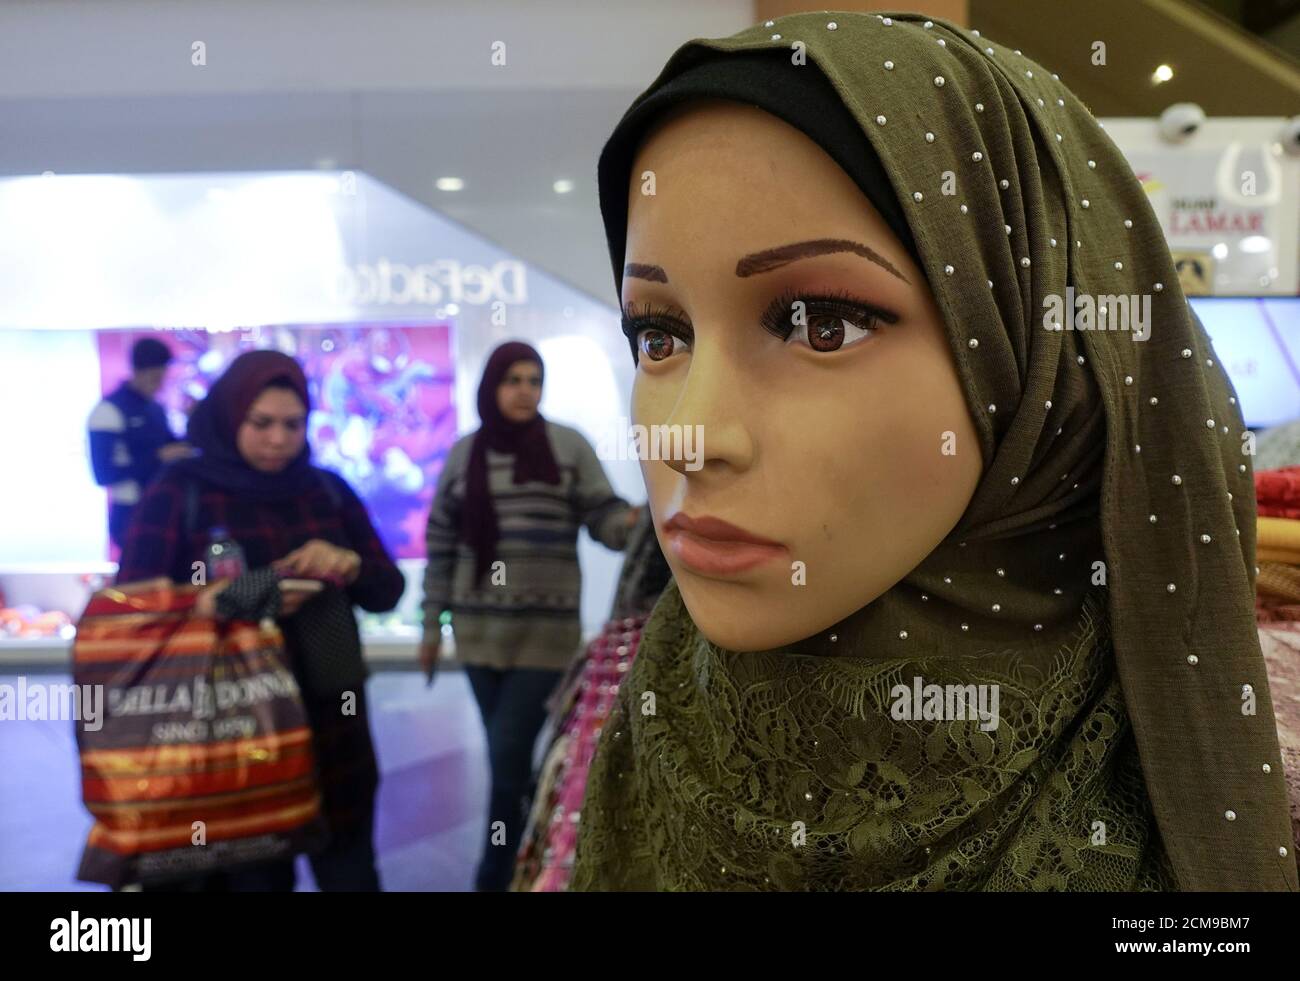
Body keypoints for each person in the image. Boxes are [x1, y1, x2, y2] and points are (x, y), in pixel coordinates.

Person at [571, 12, 1298, 891]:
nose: (692, 432)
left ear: (1038, 361)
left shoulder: (1243, 761)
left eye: (820, 322)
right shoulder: (650, 709)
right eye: (658, 334)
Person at [116, 349, 405, 891]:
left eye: (293, 425)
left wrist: (351, 563)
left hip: (332, 732)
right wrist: (230, 596)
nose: (279, 440)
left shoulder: (326, 491)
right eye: (262, 423)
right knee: (255, 880)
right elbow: (133, 612)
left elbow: (387, 591)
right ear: (230, 417)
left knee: (351, 873)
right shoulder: (181, 491)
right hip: (230, 735)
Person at [420, 340, 641, 892]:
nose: (524, 390)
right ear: (491, 386)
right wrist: (430, 624)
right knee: (512, 761)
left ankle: (494, 877)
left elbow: (603, 516)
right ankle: (538, 853)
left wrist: (636, 524)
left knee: (507, 754)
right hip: (478, 636)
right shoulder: (465, 454)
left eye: (533, 380)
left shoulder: (566, 447)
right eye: (513, 380)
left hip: (546, 638)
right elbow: (441, 545)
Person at [87, 337, 192, 547]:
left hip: (163, 506)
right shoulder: (108, 411)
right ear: (138, 372)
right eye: (154, 378)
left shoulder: (155, 408)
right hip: (130, 512)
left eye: (162, 378)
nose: (159, 384)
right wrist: (156, 457)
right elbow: (103, 474)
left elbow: (174, 445)